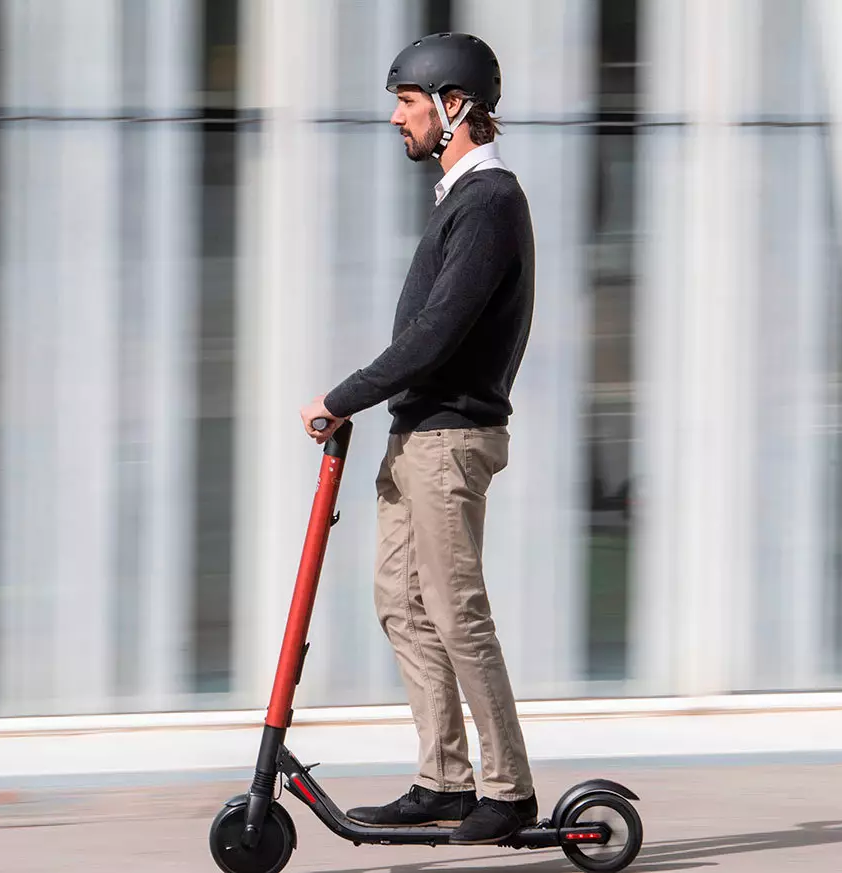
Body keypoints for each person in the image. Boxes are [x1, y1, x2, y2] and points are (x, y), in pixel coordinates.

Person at [298, 32, 538, 845]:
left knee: (456, 609)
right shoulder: (459, 202)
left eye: (407, 102)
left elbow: (436, 335)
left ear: (454, 107)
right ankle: (443, 779)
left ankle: (507, 787)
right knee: (402, 603)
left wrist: (342, 395)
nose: (397, 118)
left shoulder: (491, 202)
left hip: (450, 438)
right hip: (417, 433)